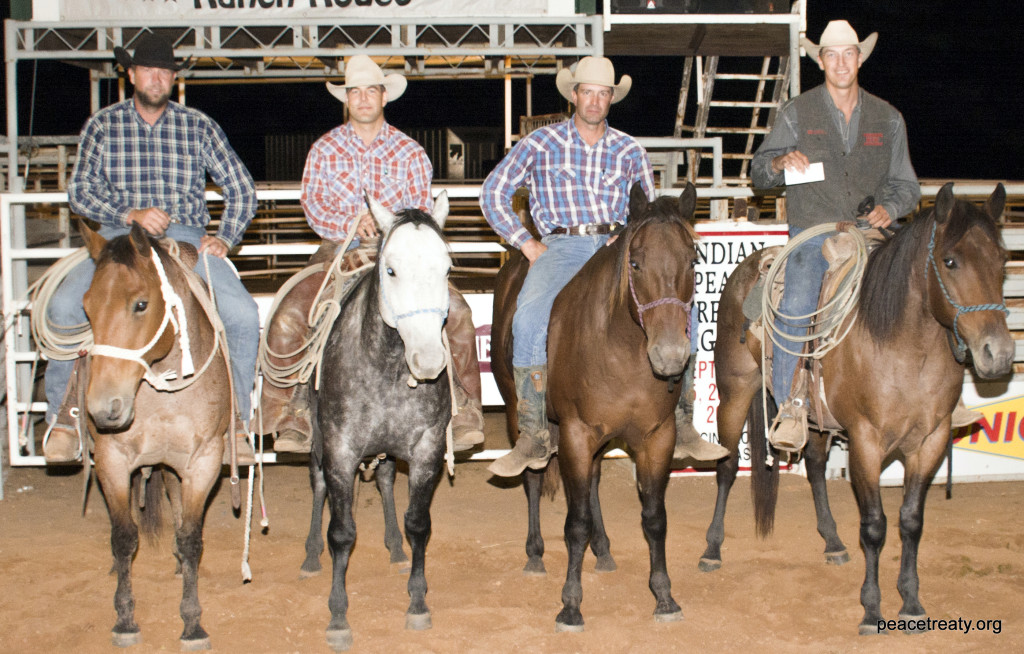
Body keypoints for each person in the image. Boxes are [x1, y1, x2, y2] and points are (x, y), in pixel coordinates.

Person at [481, 56, 727, 477]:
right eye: (587, 92)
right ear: (573, 95)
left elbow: (648, 211)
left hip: (618, 244)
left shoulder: (629, 148)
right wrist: (526, 243)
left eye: (603, 93)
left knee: (684, 310)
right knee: (529, 318)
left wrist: (629, 237)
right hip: (563, 245)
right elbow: (493, 192)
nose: (594, 100)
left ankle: (683, 419)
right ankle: (533, 430)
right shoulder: (541, 143)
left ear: (611, 99)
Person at [43, 33, 259, 465]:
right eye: (148, 70)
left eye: (164, 71)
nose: (156, 78)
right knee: (65, 308)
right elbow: (80, 190)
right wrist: (129, 213)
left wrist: (224, 237)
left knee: (242, 315)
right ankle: (63, 419)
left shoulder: (198, 126)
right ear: (132, 74)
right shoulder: (103, 125)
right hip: (117, 239)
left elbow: (242, 188)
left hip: (182, 239)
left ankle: (235, 421)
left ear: (173, 78)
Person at [258, 55, 485, 454]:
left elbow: (418, 211)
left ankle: (464, 406)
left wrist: (386, 229)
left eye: (370, 91)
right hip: (338, 246)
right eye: (355, 92)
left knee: (459, 312)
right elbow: (312, 202)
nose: (363, 99)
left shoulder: (409, 151)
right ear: (347, 99)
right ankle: (289, 407)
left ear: (384, 96)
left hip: (399, 252)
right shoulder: (325, 148)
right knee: (293, 311)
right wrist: (349, 223)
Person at [751, 20, 923, 451]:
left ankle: (931, 394)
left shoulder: (888, 118)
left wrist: (893, 207)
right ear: (821, 61)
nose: (841, 62)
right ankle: (790, 404)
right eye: (832, 55)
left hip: (872, 232)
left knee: (921, 289)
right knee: (798, 297)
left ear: (860, 58)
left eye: (849, 53)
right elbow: (759, 171)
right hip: (814, 232)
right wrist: (776, 164)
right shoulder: (797, 112)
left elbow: (907, 185)